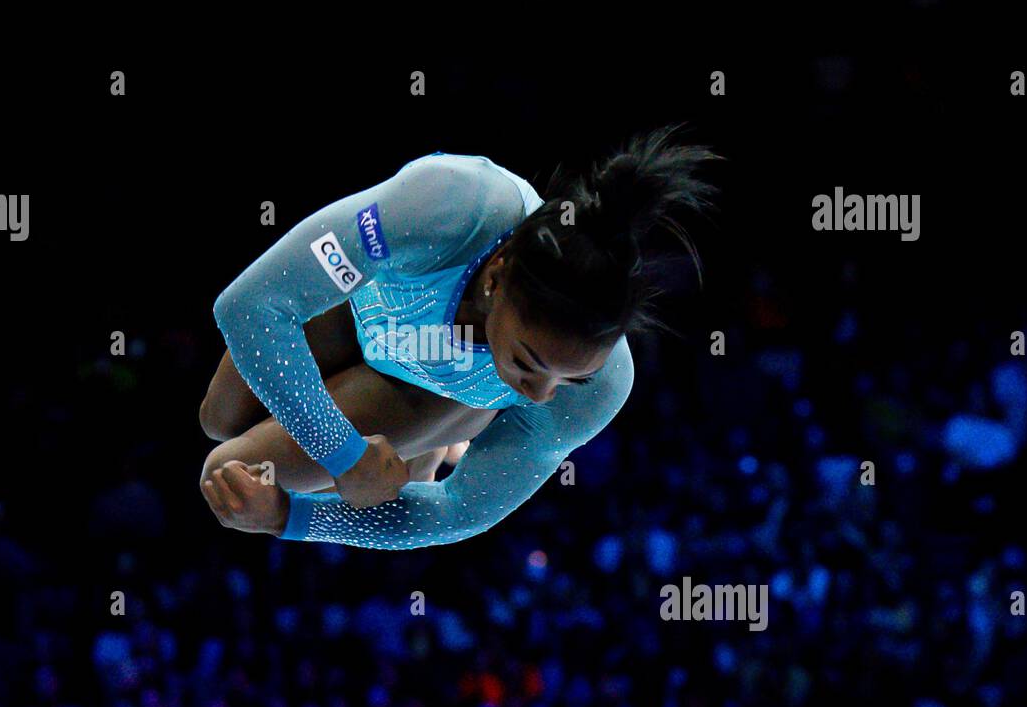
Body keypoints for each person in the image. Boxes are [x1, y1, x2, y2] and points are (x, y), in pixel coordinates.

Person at [199, 125, 721, 549]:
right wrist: (346, 458)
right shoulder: (452, 204)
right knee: (217, 418)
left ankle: (442, 431)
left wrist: (290, 517)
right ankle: (429, 447)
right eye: (529, 361)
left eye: (573, 380)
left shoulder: (606, 386)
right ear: (495, 276)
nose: (537, 396)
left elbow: (457, 512)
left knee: (231, 471)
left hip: (431, 393)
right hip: (360, 309)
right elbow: (248, 305)